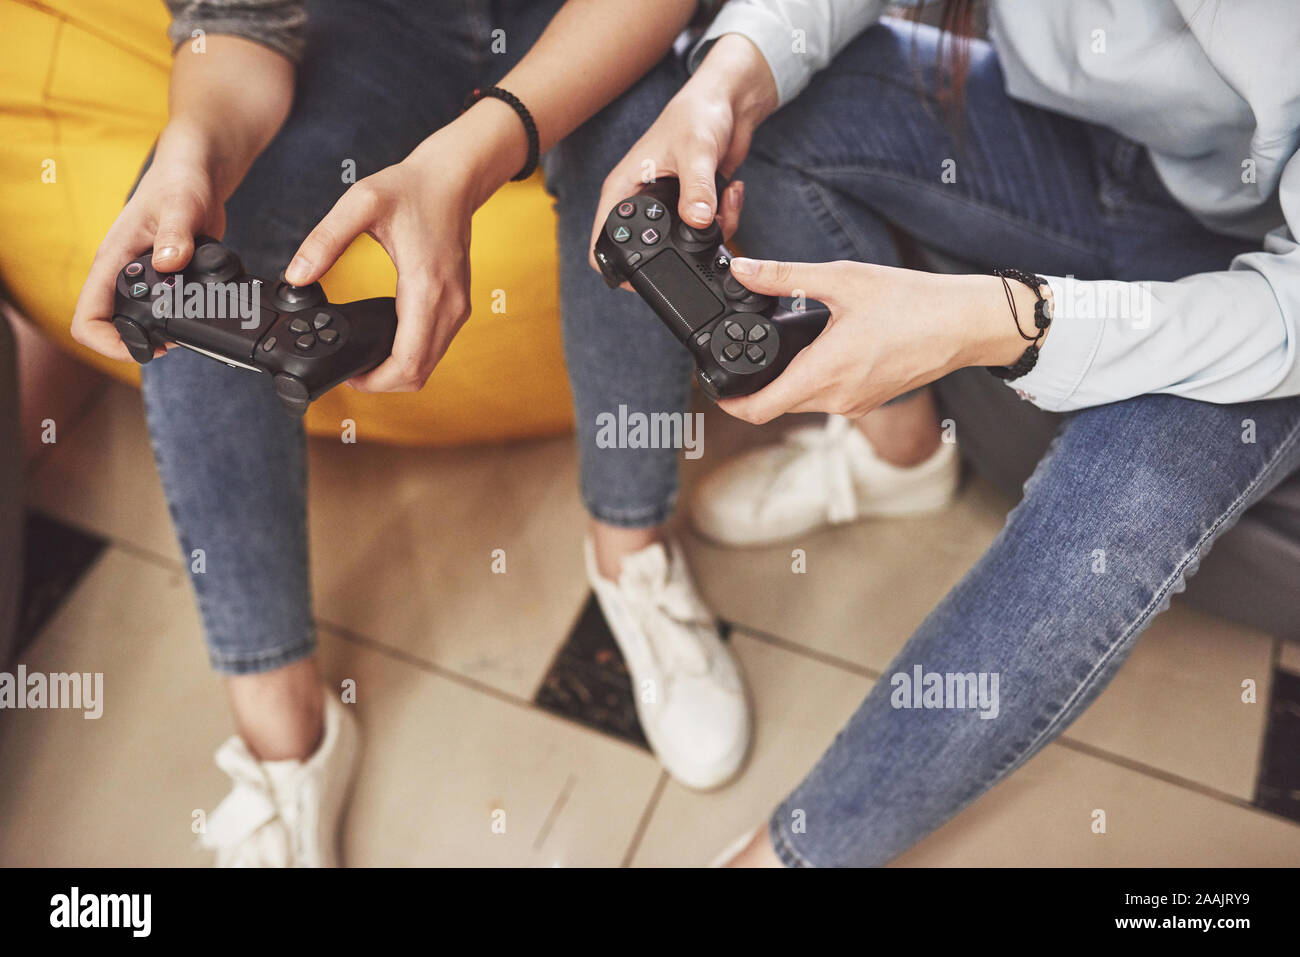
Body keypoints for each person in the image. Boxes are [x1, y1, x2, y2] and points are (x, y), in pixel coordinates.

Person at [589, 0, 1300, 865]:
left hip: (1264, 277)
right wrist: (727, 80)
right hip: (1094, 142)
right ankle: (901, 460)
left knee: (1107, 519)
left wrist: (999, 322)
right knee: (749, 108)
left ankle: (801, 853)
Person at [71, 0, 754, 866]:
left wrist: (470, 156)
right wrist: (194, 147)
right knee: (187, 251)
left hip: (589, 17)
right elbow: (239, 22)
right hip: (360, 21)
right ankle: (285, 733)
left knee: (646, 178)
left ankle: (633, 554)